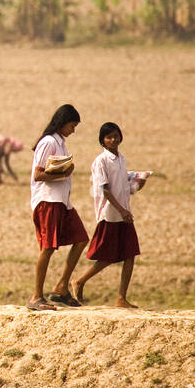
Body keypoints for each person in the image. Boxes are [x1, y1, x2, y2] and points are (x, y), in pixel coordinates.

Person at [73, 122, 150, 308]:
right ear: (103, 141)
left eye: (116, 136)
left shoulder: (121, 159)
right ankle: (79, 281)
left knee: (130, 254)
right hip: (110, 214)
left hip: (124, 212)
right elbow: (105, 190)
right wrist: (122, 211)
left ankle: (121, 298)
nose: (113, 140)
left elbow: (122, 186)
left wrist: (137, 185)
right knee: (107, 257)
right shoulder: (101, 161)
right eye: (109, 137)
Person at [27, 104, 89, 311]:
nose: (73, 130)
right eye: (72, 125)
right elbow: (38, 175)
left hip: (62, 201)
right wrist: (63, 172)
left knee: (81, 239)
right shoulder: (48, 142)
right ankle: (36, 296)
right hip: (48, 201)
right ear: (63, 122)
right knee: (48, 247)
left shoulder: (60, 143)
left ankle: (61, 287)